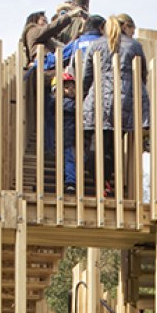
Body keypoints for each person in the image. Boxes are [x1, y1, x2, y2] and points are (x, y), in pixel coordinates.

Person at [81, 13, 148, 196]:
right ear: (127, 26)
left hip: (98, 101)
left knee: (97, 143)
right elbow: (143, 75)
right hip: (123, 101)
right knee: (113, 144)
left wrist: (82, 98)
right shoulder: (134, 46)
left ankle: (101, 182)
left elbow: (86, 76)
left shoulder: (96, 45)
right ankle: (108, 182)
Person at [43, 13, 104, 194]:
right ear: (101, 28)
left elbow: (57, 57)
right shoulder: (106, 45)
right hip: (99, 100)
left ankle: (74, 180)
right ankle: (98, 180)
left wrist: (42, 62)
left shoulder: (78, 43)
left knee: (73, 152)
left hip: (82, 97)